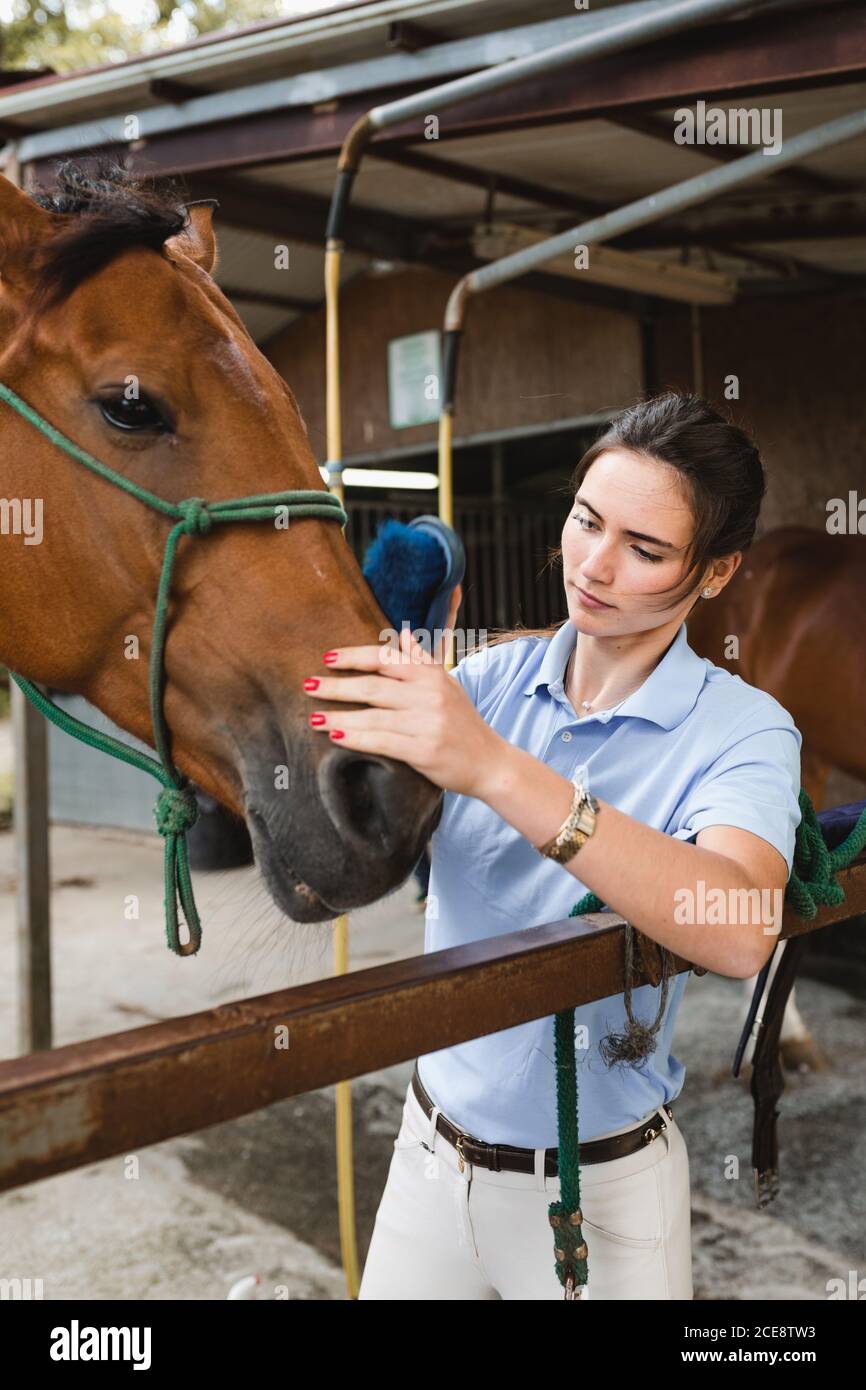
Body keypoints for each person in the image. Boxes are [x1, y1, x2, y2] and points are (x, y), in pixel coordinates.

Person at [301, 392, 802, 1300]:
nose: (596, 566)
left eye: (645, 550)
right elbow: (339, 842)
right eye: (584, 521)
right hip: (427, 1155)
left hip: (597, 1196)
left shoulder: (743, 730)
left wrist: (495, 768)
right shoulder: (488, 678)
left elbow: (737, 927)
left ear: (718, 572)